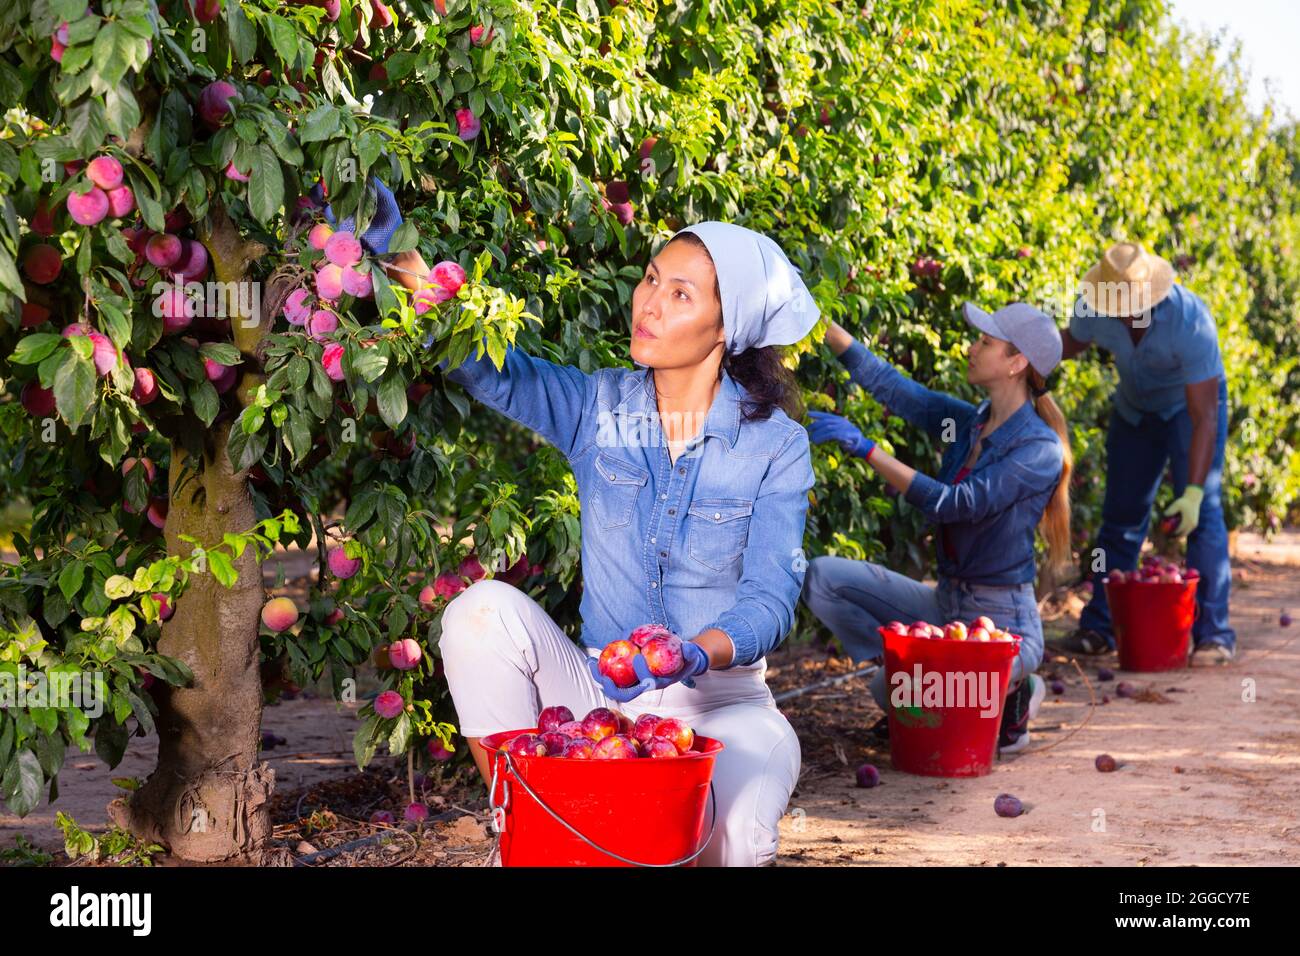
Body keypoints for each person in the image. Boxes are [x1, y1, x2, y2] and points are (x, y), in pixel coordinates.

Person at [429, 222, 818, 866]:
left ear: (726, 329)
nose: (649, 303)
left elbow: (771, 598)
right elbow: (489, 369)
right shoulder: (597, 404)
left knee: (736, 844)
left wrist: (693, 654)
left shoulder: (775, 446)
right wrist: (410, 268)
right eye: (650, 279)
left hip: (720, 707)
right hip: (598, 698)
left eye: (681, 294)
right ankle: (528, 824)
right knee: (478, 614)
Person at [800, 303, 1072, 752]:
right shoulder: (969, 423)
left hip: (1002, 624)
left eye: (986, 342)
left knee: (920, 707)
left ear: (1017, 362)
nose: (973, 347)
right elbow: (893, 388)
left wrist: (867, 450)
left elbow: (956, 505)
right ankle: (917, 688)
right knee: (823, 578)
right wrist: (819, 323)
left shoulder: (1039, 450)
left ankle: (1015, 692)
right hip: (946, 604)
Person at [1052, 242, 1235, 664]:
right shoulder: (1093, 307)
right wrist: (1026, 356)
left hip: (1188, 413)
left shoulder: (1189, 320)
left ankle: (1214, 636)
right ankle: (1100, 627)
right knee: (1119, 520)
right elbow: (1071, 342)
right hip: (1134, 412)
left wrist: (1191, 490)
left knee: (1203, 512)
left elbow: (1205, 415)